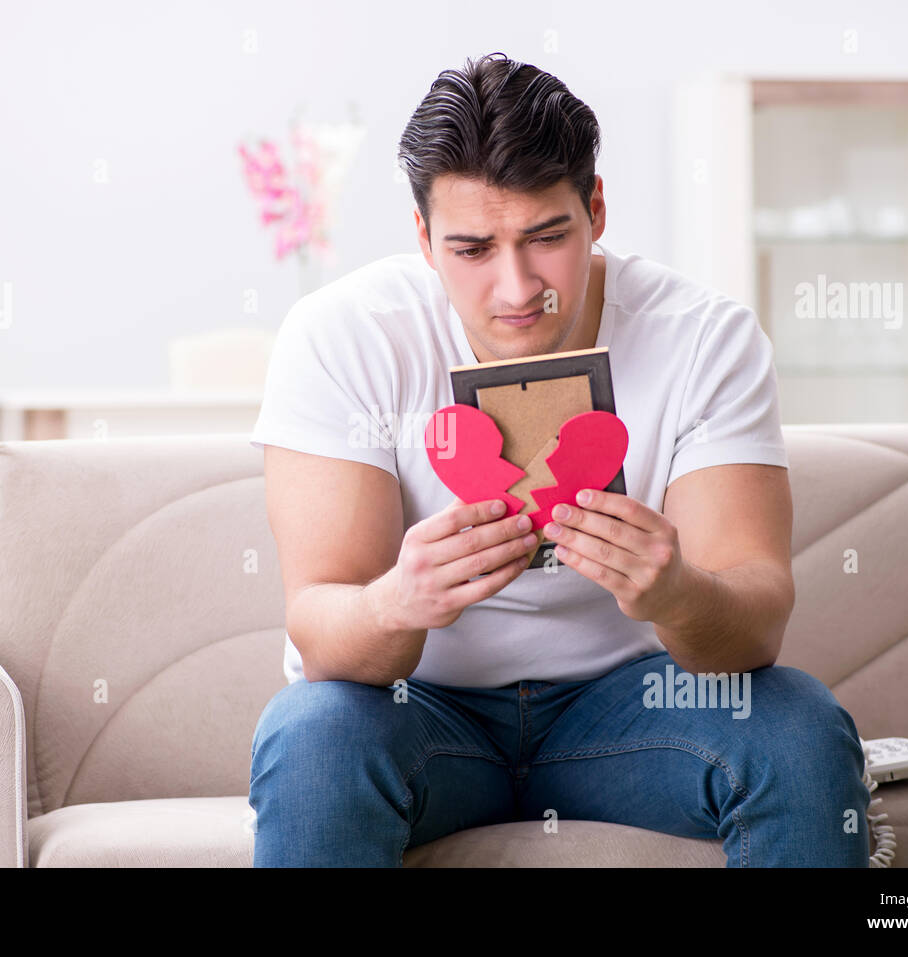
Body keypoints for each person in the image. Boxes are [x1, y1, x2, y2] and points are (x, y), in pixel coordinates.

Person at [247, 52, 870, 867]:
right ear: (425, 240)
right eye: (472, 249)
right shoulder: (344, 337)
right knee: (312, 735)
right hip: (415, 708)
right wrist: (402, 600)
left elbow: (757, 620)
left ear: (597, 209)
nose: (516, 288)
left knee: (798, 730)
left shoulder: (704, 338)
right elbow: (323, 628)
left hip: (633, 703)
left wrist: (676, 592)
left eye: (547, 238)